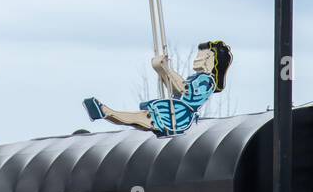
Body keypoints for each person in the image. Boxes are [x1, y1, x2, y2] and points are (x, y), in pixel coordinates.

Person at [84, 40, 232, 136]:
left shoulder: (207, 82)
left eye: (205, 55)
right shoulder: (200, 78)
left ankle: (107, 112)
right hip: (175, 109)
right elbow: (174, 85)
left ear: (214, 61)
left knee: (143, 118)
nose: (199, 57)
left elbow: (184, 89)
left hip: (179, 114)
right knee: (142, 118)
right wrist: (163, 70)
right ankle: (107, 112)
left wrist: (165, 69)